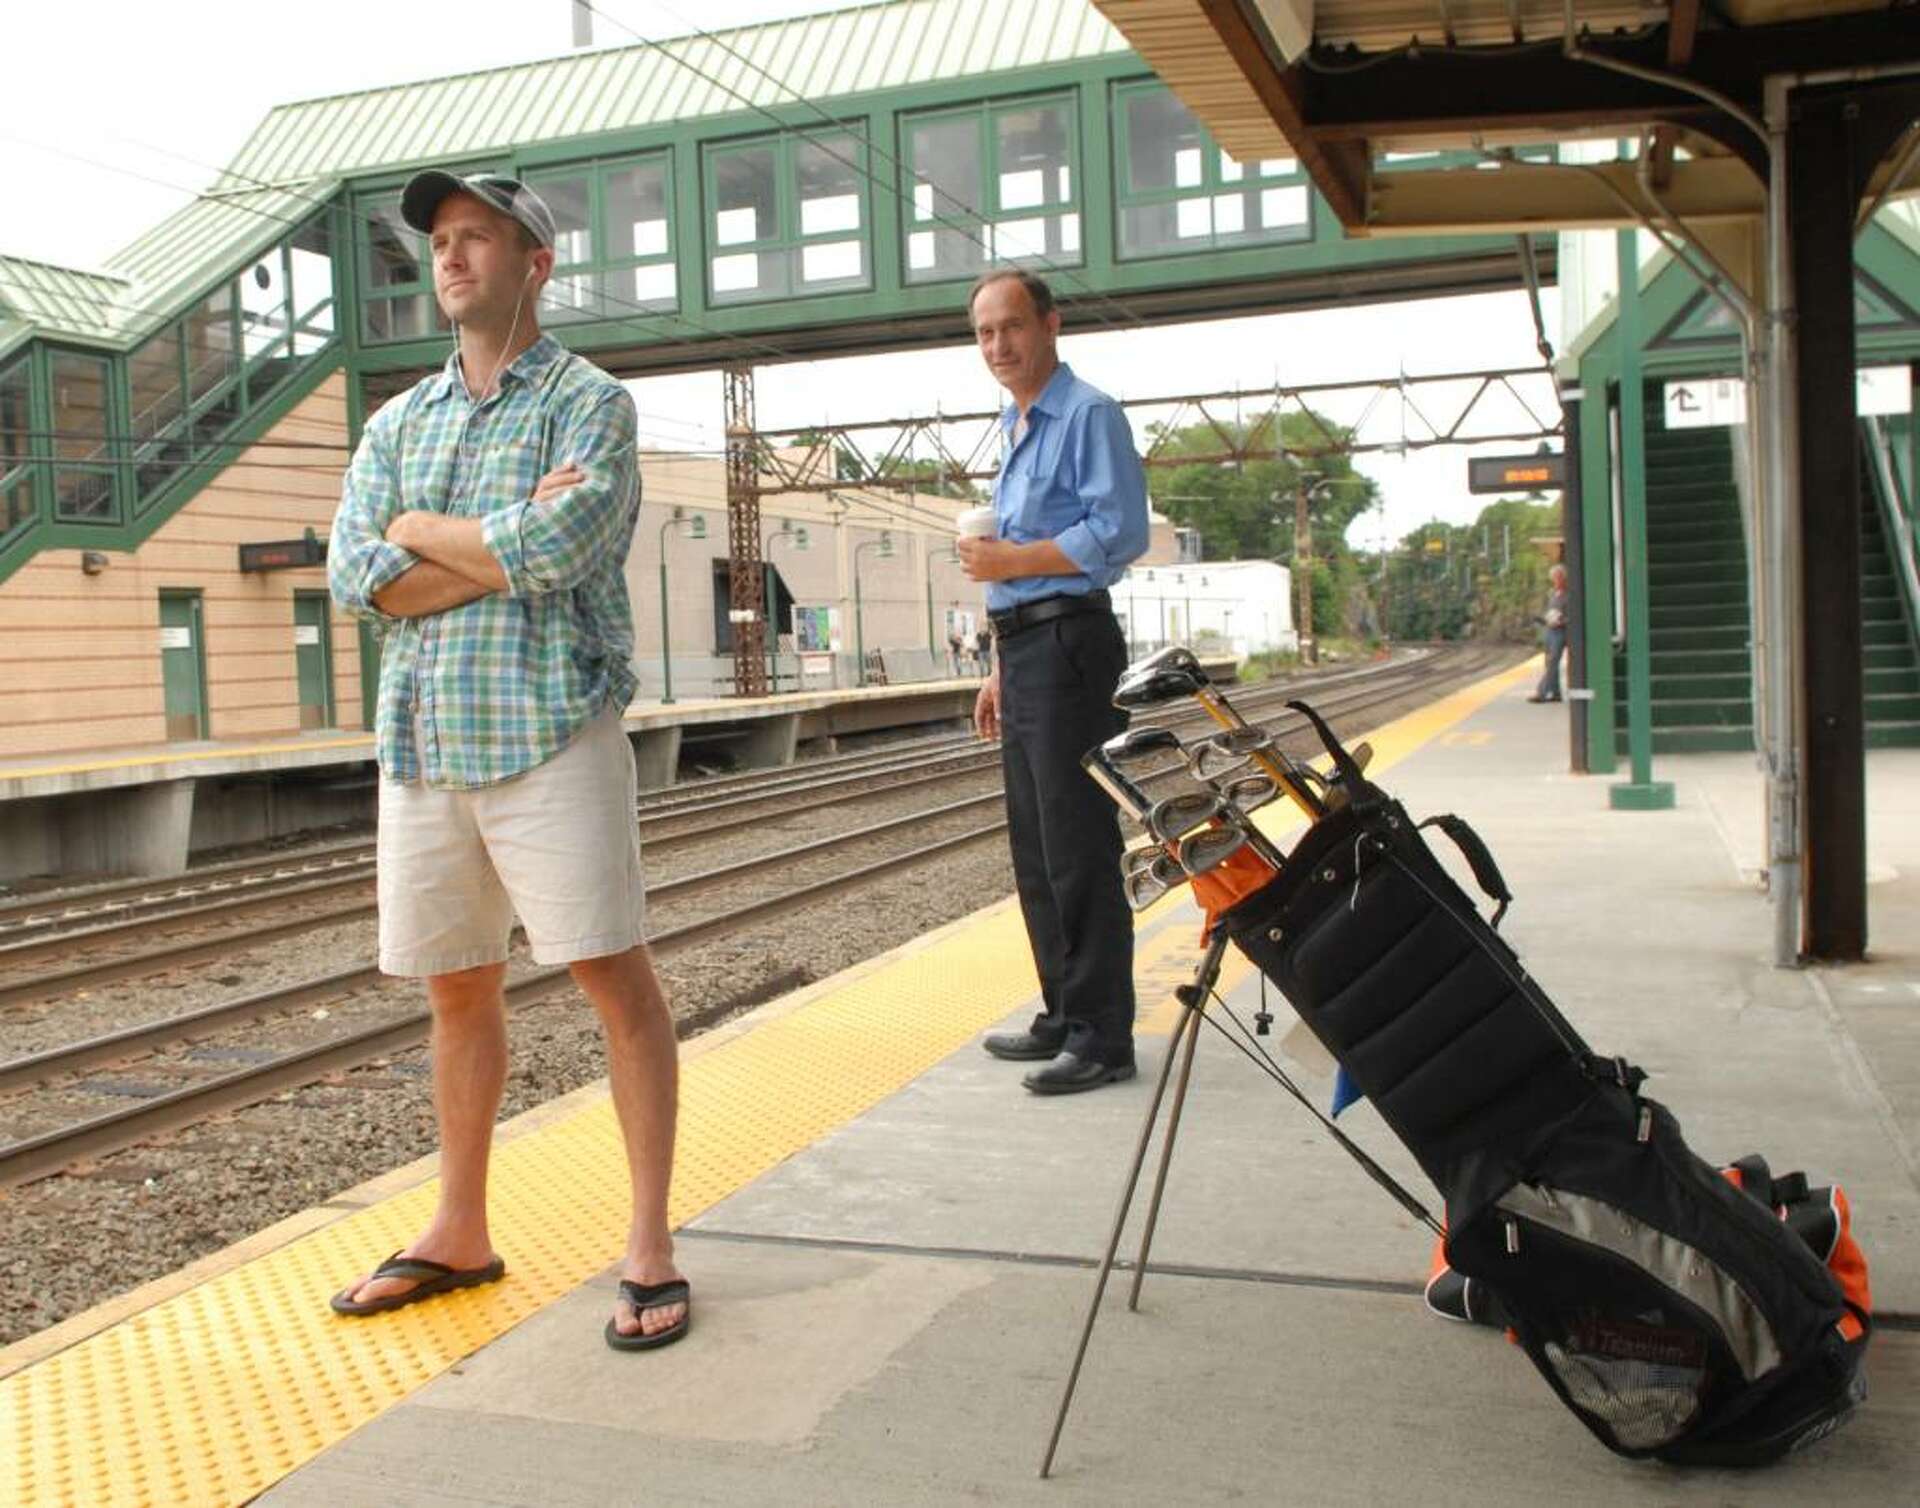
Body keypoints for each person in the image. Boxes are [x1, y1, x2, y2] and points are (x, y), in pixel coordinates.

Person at [326, 169, 688, 1351]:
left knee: (611, 978)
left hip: (548, 730)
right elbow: (352, 576)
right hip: (426, 739)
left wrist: (419, 535)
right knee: (456, 988)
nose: (451, 257)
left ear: (535, 261)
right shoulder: (396, 422)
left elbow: (568, 544)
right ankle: (460, 1228)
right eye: (440, 242)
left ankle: (647, 1243)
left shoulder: (591, 406)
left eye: (477, 238)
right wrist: (493, 543)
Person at [961, 270, 1150, 1095]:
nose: (998, 346)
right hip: (1027, 648)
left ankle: (1104, 1036)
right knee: (1036, 846)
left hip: (1072, 644)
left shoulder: (1088, 415)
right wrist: (999, 664)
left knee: (1079, 845)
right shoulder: (1018, 424)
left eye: (1011, 327)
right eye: (984, 334)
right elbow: (1016, 575)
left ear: (1050, 325)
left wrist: (1012, 561)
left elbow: (1120, 531)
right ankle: (1061, 1012)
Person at [1529, 562, 1570, 704]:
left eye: (1558, 578)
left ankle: (1542, 692)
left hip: (1561, 632)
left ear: (1564, 578)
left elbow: (1573, 616)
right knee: (1549, 662)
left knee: (1553, 661)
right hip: (1550, 630)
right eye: (1554, 578)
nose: (1555, 581)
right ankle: (1555, 692)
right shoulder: (1552, 594)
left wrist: (1562, 621)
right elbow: (1549, 611)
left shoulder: (1569, 595)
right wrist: (1543, 619)